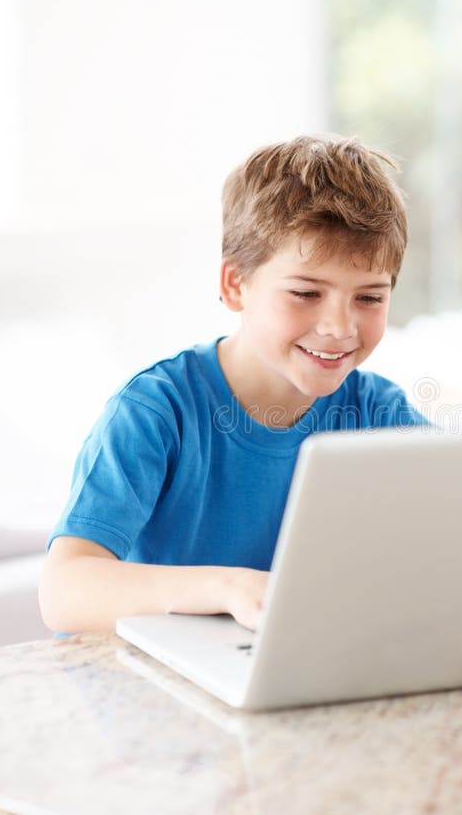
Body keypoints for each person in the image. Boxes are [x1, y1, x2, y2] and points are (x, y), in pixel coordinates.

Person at [38, 134, 427, 635]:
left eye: (370, 298)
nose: (339, 327)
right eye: (307, 292)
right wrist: (225, 589)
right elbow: (64, 591)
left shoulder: (378, 412)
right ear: (234, 284)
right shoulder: (156, 411)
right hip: (149, 692)